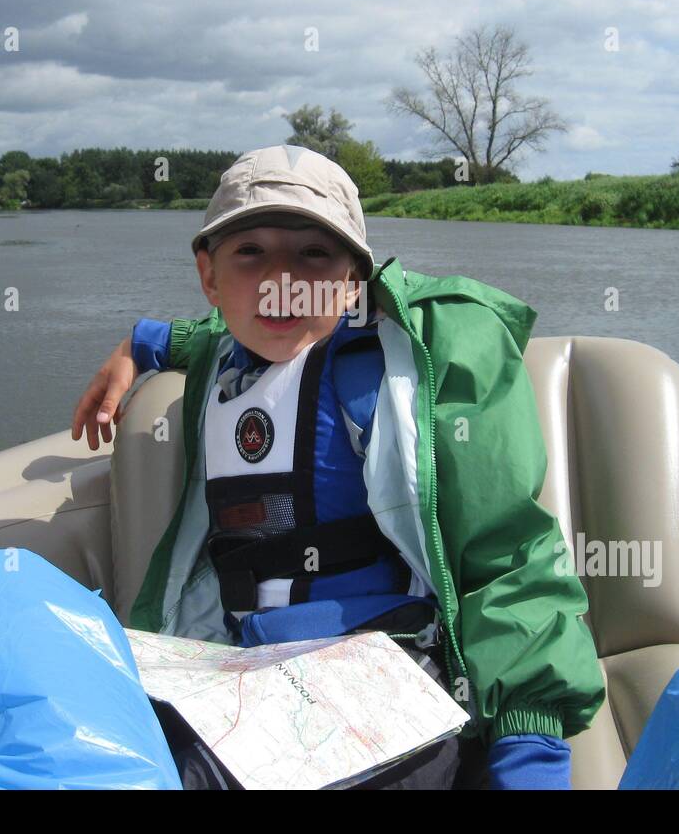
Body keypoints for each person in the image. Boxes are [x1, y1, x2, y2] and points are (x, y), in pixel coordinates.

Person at [71, 144, 605, 789]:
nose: (281, 280)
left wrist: (529, 749)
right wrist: (137, 344)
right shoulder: (223, 352)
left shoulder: (415, 365)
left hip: (387, 680)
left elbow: (510, 558)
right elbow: (197, 334)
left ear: (355, 280)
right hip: (240, 679)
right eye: (250, 252)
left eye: (314, 255)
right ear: (209, 277)